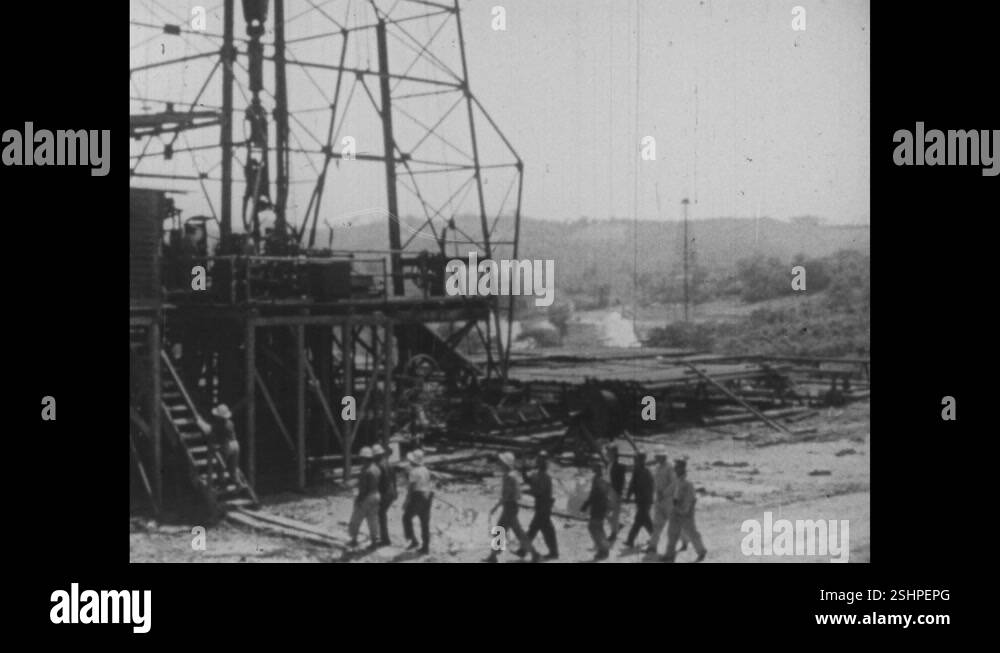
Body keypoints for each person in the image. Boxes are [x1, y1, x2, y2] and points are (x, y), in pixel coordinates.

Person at [485, 452, 533, 563]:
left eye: (501, 463)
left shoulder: (511, 477)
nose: (499, 465)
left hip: (510, 507)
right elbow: (507, 495)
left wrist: (498, 505)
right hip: (509, 506)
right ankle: (494, 556)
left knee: (507, 530)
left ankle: (530, 552)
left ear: (506, 464)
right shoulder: (508, 476)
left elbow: (516, 494)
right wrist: (499, 505)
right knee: (505, 529)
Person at [662, 459, 707, 562]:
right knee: (672, 533)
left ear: (682, 468)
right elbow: (668, 492)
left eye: (677, 467)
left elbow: (689, 500)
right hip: (676, 510)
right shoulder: (676, 481)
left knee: (692, 532)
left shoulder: (688, 483)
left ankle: (701, 551)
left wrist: (683, 510)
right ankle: (669, 555)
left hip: (685, 512)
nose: (675, 469)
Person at [522, 451, 558, 561]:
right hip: (542, 506)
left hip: (543, 506)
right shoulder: (539, 475)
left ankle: (523, 550)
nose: (538, 462)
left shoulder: (544, 476)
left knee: (534, 529)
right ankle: (553, 552)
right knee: (546, 530)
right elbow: (530, 481)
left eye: (540, 460)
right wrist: (524, 472)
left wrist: (528, 492)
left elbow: (539, 491)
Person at [648, 445, 683, 554]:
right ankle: (652, 546)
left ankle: (685, 540)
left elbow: (674, 483)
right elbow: (655, 482)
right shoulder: (658, 468)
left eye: (658, 455)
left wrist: (664, 493)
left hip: (669, 501)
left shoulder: (670, 467)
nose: (656, 458)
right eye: (656, 455)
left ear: (664, 455)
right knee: (657, 524)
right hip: (659, 500)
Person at [198, 404, 243, 488]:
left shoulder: (220, 425)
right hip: (235, 444)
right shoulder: (230, 423)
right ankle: (238, 483)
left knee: (220, 467)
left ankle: (222, 484)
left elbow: (207, 430)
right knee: (233, 468)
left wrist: (199, 421)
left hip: (226, 446)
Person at [347, 447, 382, 551]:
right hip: (376, 495)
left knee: (356, 518)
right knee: (373, 519)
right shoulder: (376, 468)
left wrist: (359, 499)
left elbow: (364, 488)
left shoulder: (365, 470)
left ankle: (354, 539)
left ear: (364, 458)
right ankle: (374, 541)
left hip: (367, 496)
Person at [402, 449, 433, 555]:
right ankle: (426, 547)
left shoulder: (413, 472)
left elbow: (411, 488)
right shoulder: (425, 469)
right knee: (425, 522)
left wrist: (406, 501)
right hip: (428, 495)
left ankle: (413, 540)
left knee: (406, 517)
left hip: (418, 496)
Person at [580, 461, 611, 560]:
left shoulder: (598, 480)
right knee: (598, 528)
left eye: (595, 467)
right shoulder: (603, 479)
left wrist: (586, 504)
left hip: (598, 507)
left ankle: (602, 550)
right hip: (601, 507)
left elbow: (595, 494)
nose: (593, 469)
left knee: (593, 528)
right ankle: (604, 549)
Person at [624, 451, 654, 549]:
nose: (635, 462)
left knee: (640, 520)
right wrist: (628, 496)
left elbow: (650, 489)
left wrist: (644, 501)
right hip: (640, 500)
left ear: (642, 461)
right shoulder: (636, 470)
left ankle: (630, 540)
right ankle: (654, 537)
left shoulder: (646, 472)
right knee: (644, 520)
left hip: (645, 501)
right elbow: (632, 484)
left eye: (636, 460)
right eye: (635, 460)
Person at [373, 444, 397, 547]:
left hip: (384, 493)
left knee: (381, 514)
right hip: (391, 492)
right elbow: (394, 479)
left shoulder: (378, 466)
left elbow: (377, 482)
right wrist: (395, 491)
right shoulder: (389, 463)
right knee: (381, 514)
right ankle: (383, 537)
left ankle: (385, 539)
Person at [606, 444, 627, 541]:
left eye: (609, 452)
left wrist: (619, 492)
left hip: (616, 492)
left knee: (614, 514)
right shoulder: (609, 464)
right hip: (609, 490)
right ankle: (617, 526)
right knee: (606, 512)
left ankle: (614, 533)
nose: (607, 454)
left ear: (614, 453)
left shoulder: (619, 466)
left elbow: (622, 480)